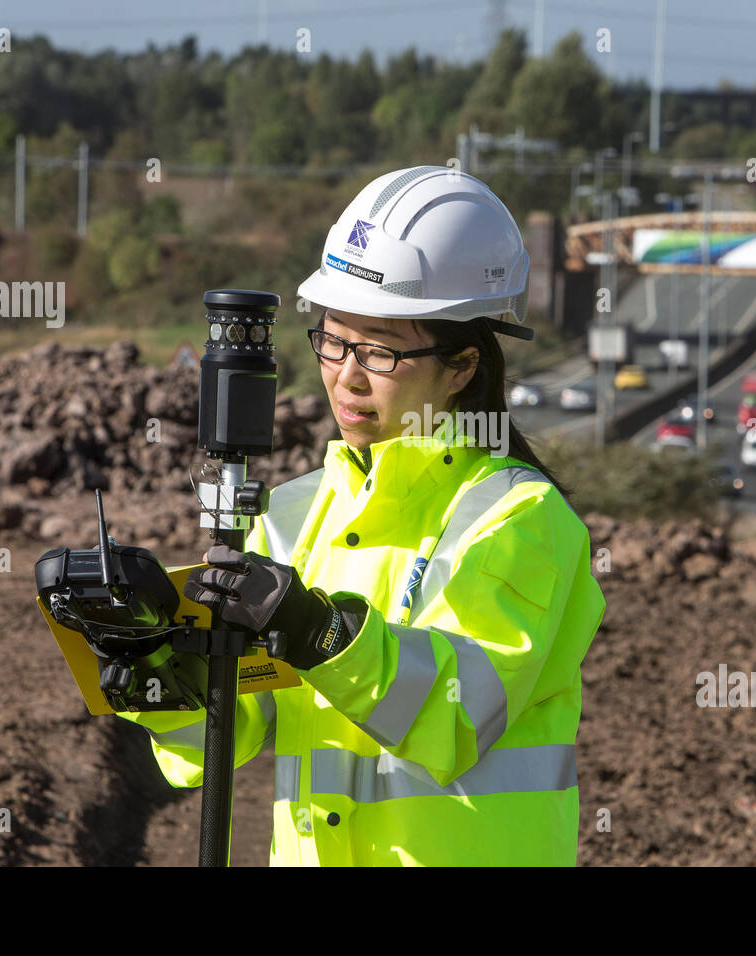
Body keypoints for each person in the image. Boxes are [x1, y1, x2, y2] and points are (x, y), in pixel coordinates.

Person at [120, 166, 606, 866]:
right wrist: (147, 667)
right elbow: (233, 730)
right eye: (333, 341)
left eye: (378, 351)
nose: (346, 376)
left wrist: (318, 634)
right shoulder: (292, 513)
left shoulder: (520, 518)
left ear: (463, 364)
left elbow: (454, 719)